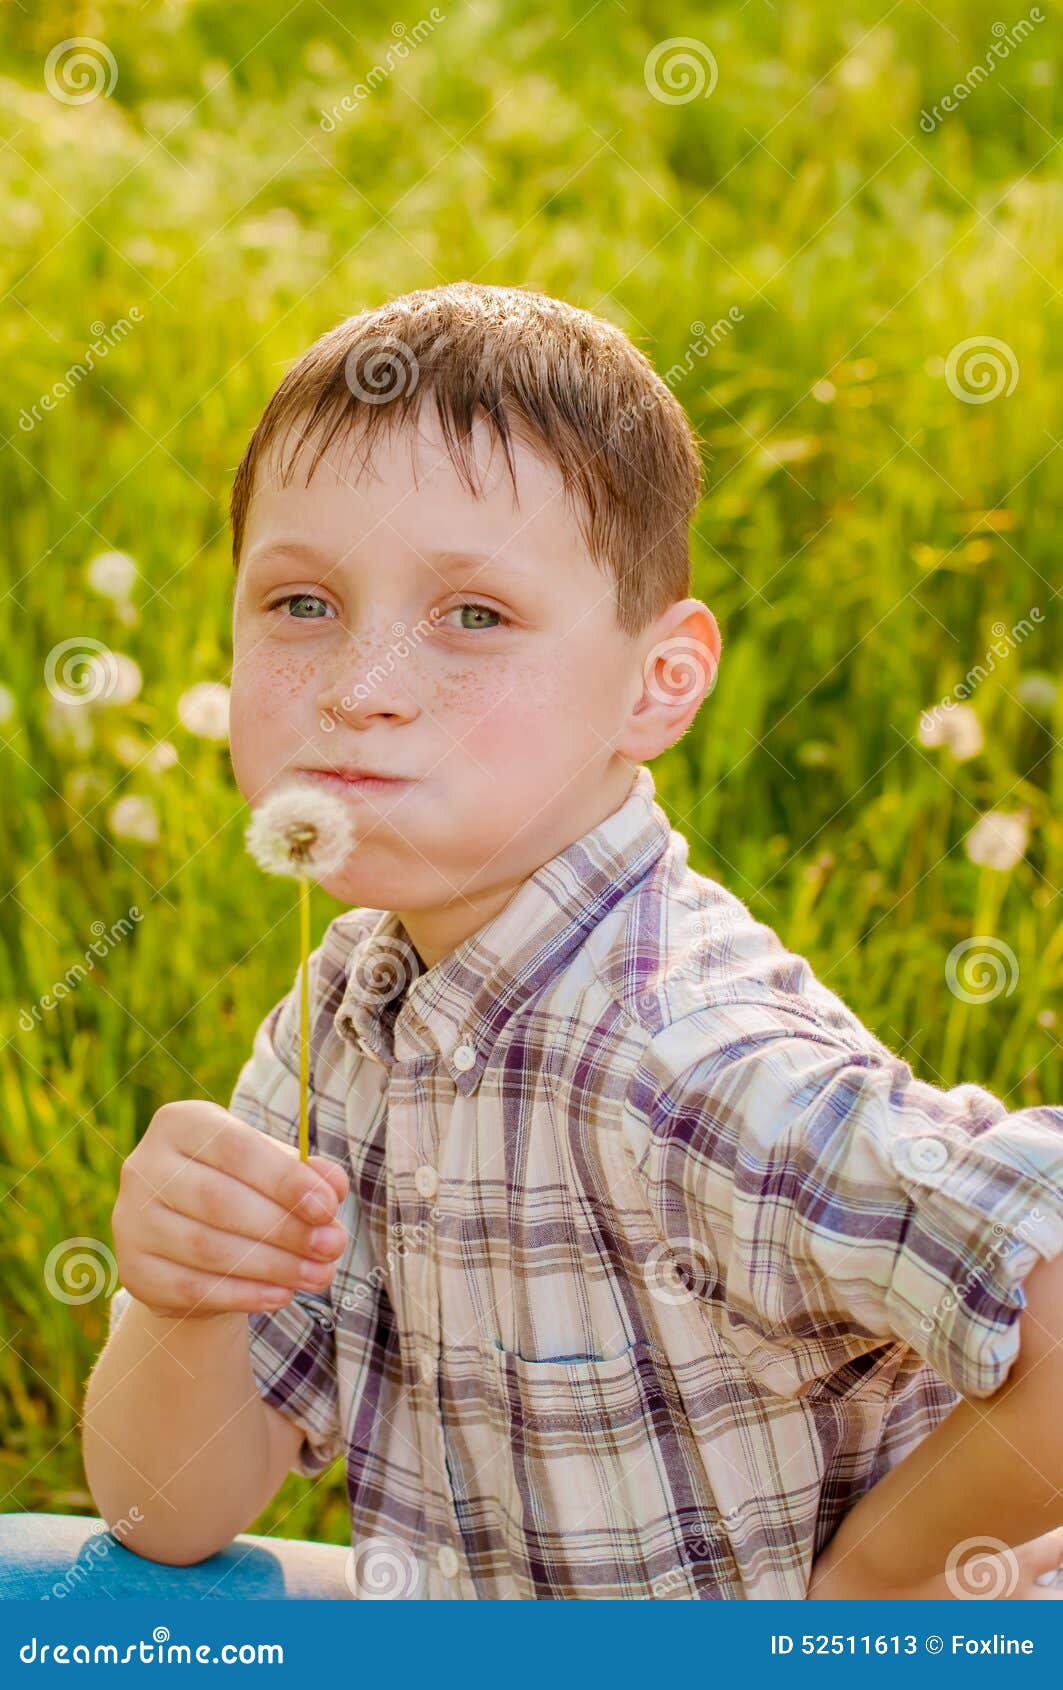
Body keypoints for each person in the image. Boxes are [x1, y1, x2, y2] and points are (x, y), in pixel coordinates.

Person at [24, 282, 1063, 1601]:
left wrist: (867, 1593)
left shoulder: (683, 1048)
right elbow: (173, 1514)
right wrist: (184, 1301)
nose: (360, 685)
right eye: (300, 603)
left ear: (656, 683)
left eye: (474, 615)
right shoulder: (349, 1014)